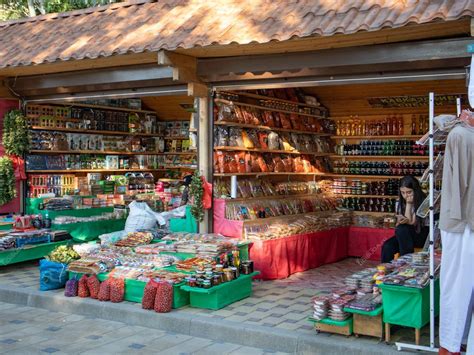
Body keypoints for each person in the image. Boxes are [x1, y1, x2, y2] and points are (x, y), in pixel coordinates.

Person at [380, 175, 428, 263]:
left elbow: (412, 222)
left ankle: (405, 262)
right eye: (403, 192)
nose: (406, 195)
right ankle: (386, 271)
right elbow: (404, 222)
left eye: (409, 192)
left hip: (421, 233)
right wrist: (400, 220)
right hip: (405, 235)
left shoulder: (424, 201)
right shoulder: (399, 202)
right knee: (387, 246)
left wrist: (409, 204)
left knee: (402, 229)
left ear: (415, 190)